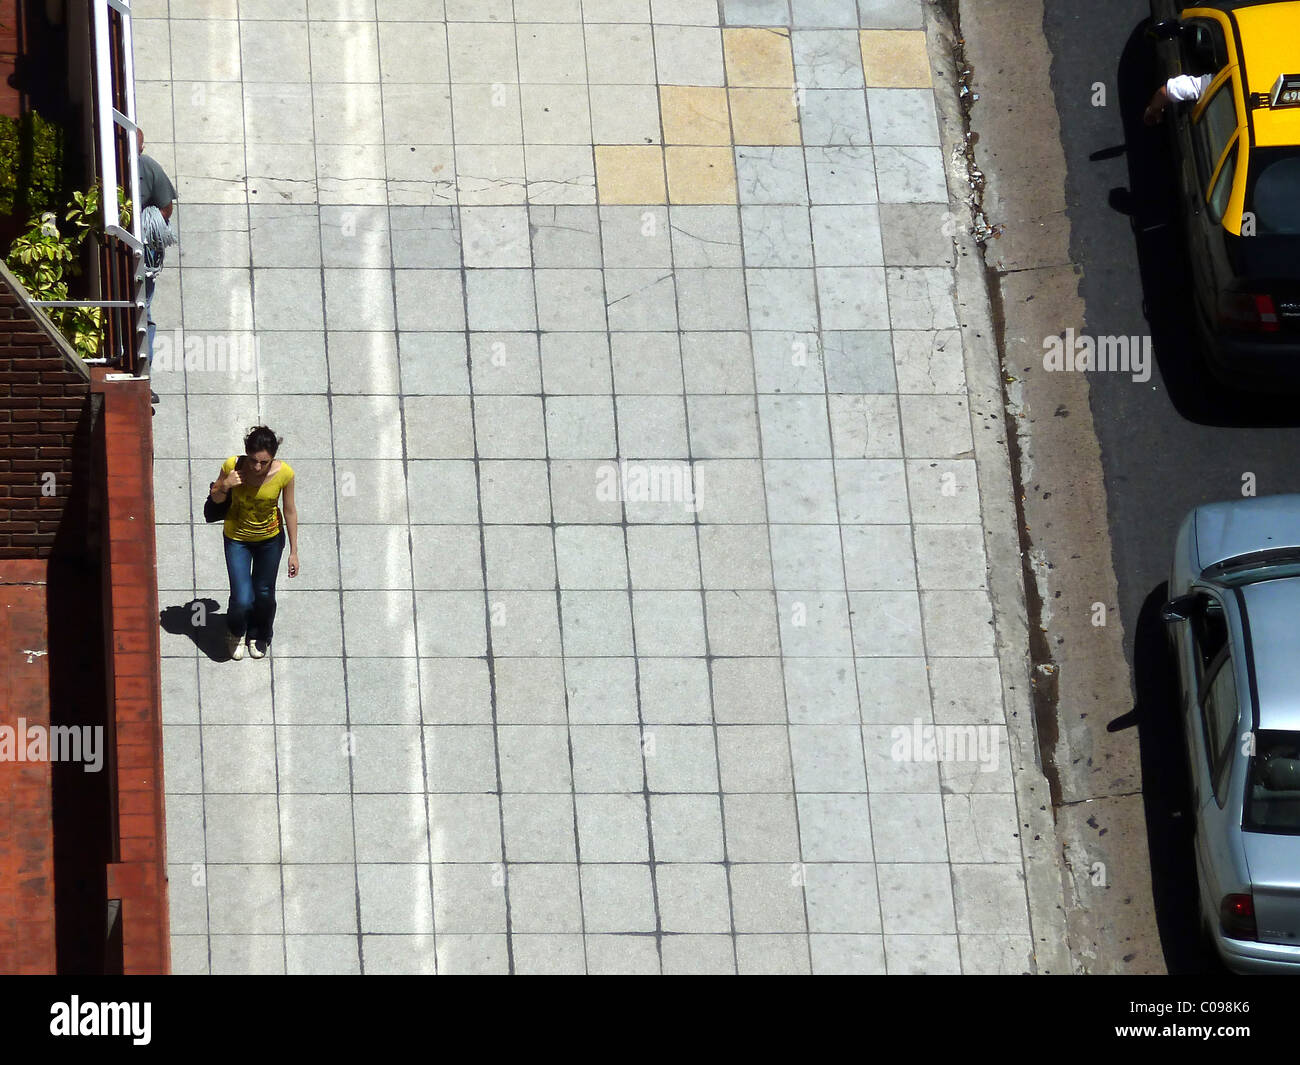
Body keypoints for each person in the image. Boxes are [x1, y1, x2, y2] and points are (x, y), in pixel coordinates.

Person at [208, 426, 300, 661]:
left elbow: (289, 510)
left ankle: (260, 632)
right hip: (237, 538)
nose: (257, 467)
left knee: (264, 592)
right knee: (242, 597)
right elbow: (215, 498)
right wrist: (226, 484)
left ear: (273, 458)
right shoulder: (232, 466)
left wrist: (294, 551)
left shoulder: (285, 474)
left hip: (269, 539)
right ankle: (236, 629)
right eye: (253, 460)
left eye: (264, 462)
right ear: (246, 453)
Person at [136, 127, 175, 396]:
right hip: (116, 254)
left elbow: (166, 205)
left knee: (144, 312)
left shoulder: (148, 168)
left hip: (143, 257)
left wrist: (146, 226)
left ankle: (143, 373)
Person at [1144, 72, 1212, 125]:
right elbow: (1165, 93)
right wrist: (1153, 109)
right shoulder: (1211, 85)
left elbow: (1165, 93)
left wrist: (1152, 109)